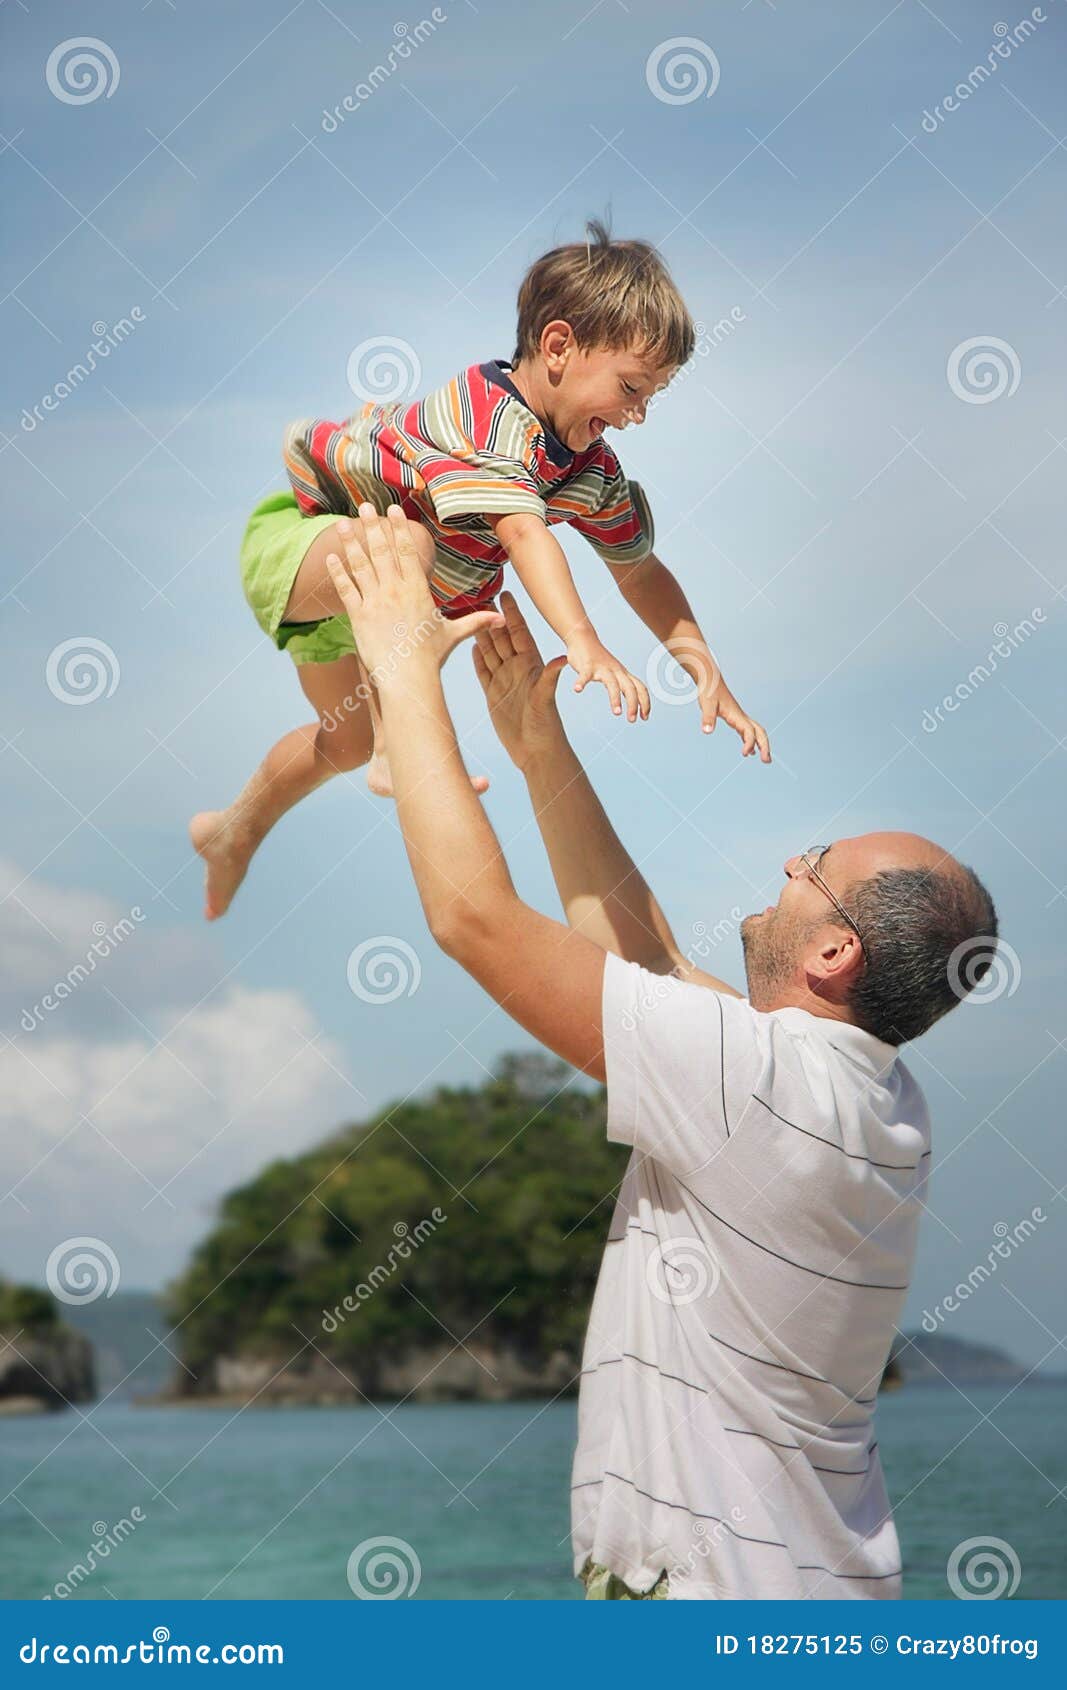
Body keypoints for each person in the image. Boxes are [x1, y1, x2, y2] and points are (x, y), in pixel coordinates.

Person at [320, 505, 1000, 1601]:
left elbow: (473, 921)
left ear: (832, 948)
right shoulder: (868, 1097)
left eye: (812, 864)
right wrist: (539, 750)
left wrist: (402, 669)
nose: (788, 856)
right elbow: (646, 959)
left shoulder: (763, 1089)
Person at [190, 224, 769, 920]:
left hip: (360, 613)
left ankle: (233, 829)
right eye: (630, 387)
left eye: (652, 397)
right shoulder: (487, 415)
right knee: (405, 548)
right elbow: (522, 529)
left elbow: (639, 570)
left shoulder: (589, 470)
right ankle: (400, 737)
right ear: (557, 346)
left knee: (343, 744)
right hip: (305, 547)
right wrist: (582, 640)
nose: (636, 414)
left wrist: (703, 668)